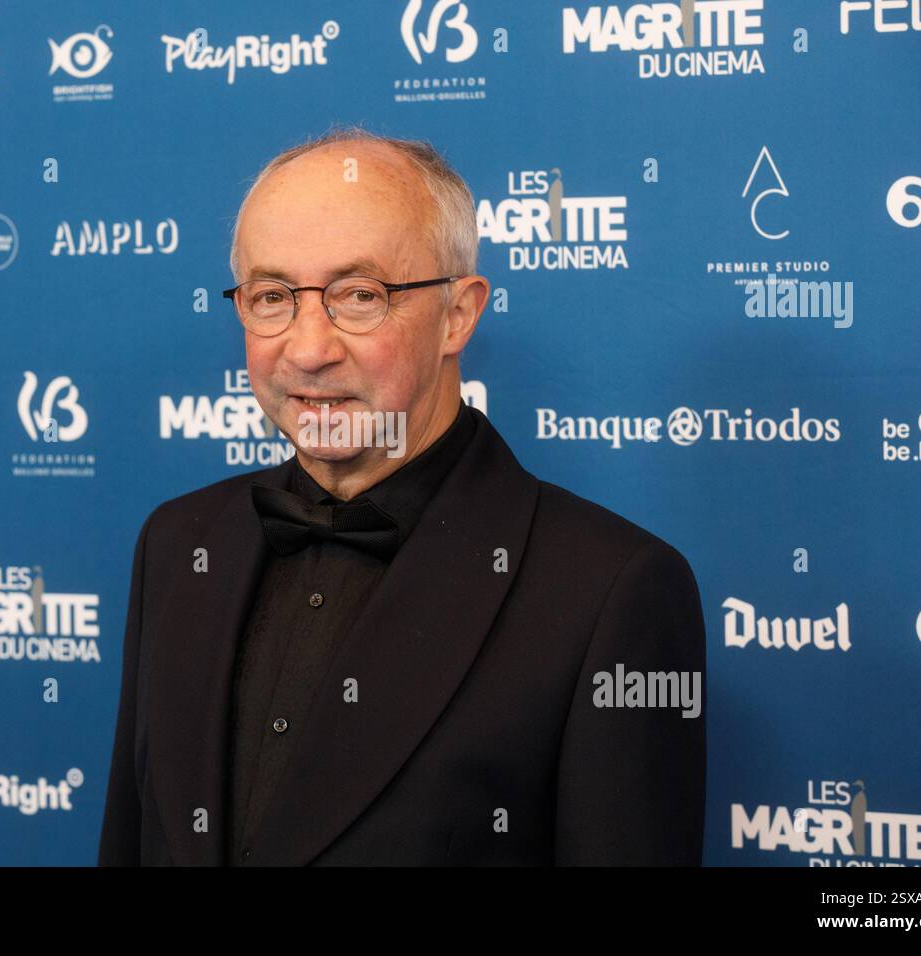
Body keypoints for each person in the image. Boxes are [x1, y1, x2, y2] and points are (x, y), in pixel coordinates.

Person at [98, 126, 706, 866]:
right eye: (272, 296)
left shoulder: (610, 591)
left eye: (360, 296)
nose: (309, 348)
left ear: (458, 313)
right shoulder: (176, 541)